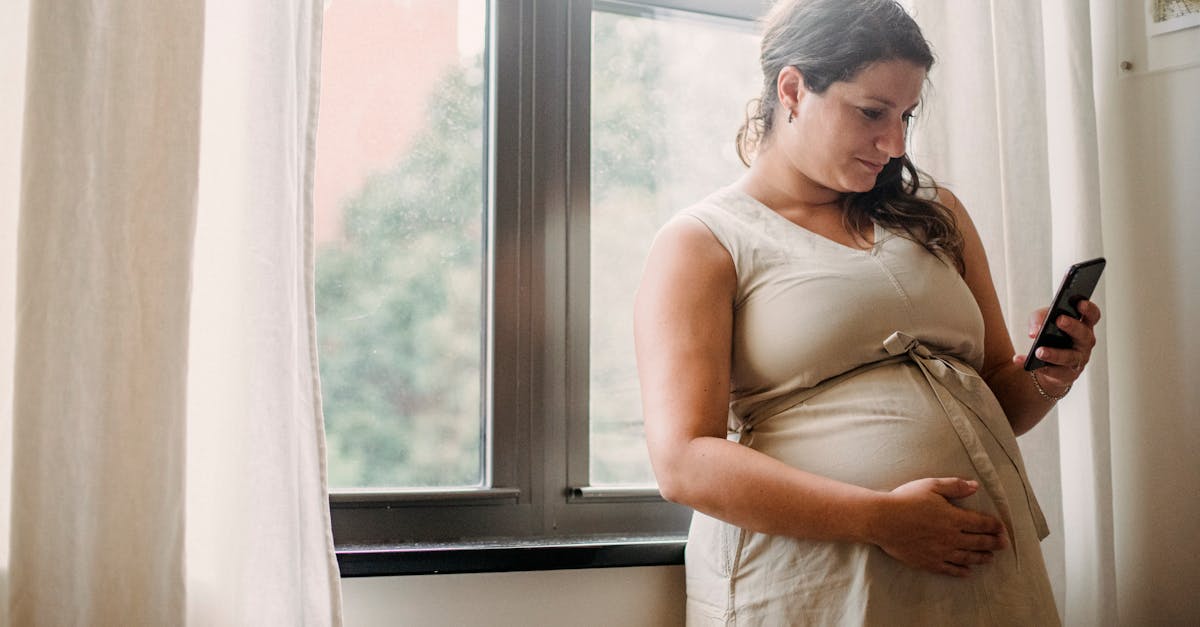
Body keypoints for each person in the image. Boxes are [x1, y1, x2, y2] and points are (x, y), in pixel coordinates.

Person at [633, 0, 1101, 624]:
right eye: (872, 112)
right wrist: (881, 519)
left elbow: (1000, 402)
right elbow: (683, 462)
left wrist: (1050, 373)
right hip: (814, 577)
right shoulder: (704, 242)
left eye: (907, 114)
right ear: (793, 89)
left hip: (975, 575)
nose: (896, 143)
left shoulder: (936, 213)